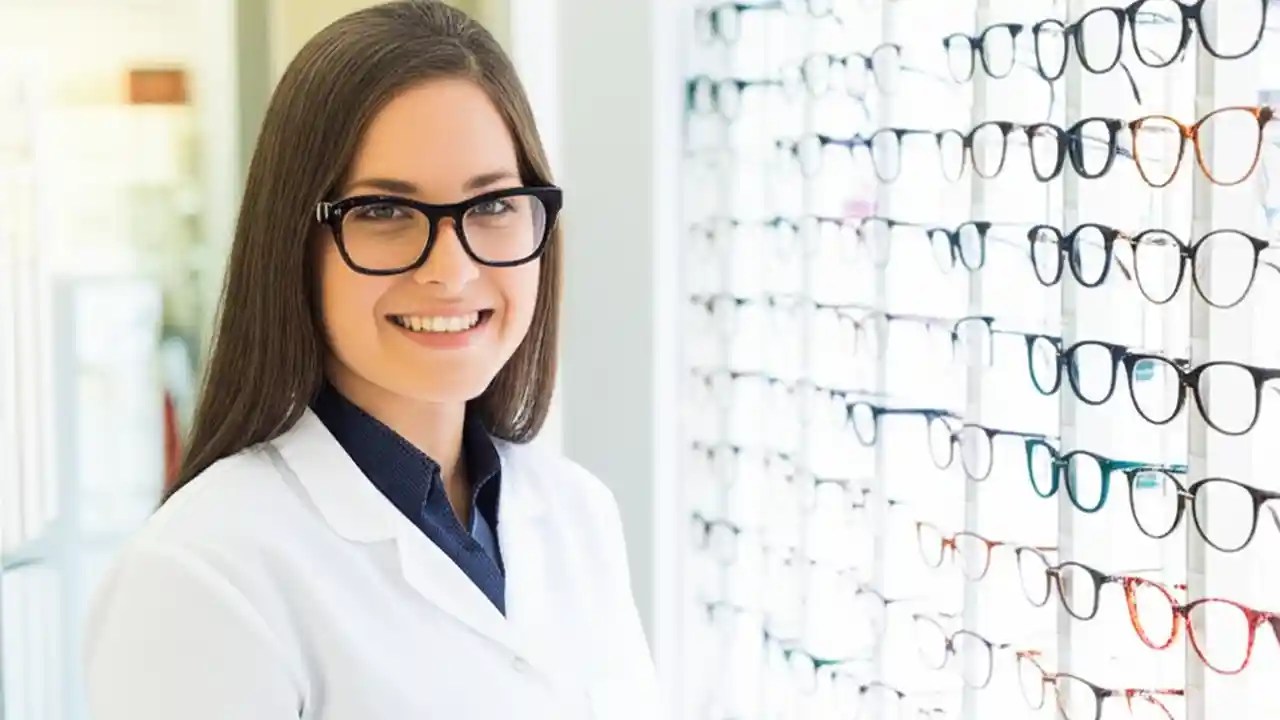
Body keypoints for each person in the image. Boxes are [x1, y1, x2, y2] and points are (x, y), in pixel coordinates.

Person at [81, 2, 662, 718]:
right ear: (296, 241)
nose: (452, 271)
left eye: (492, 206)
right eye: (384, 211)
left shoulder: (579, 514)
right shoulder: (200, 574)